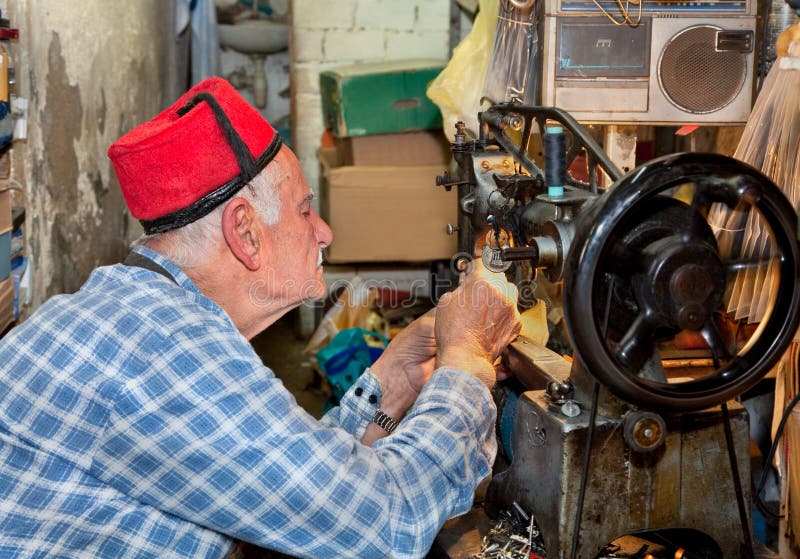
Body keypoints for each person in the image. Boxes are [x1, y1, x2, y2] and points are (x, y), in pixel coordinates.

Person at [0, 77, 521, 558]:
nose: (324, 232)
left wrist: (394, 381)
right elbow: (386, 523)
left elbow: (281, 483)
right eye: (304, 209)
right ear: (245, 232)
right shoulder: (169, 352)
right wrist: (465, 360)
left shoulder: (145, 313)